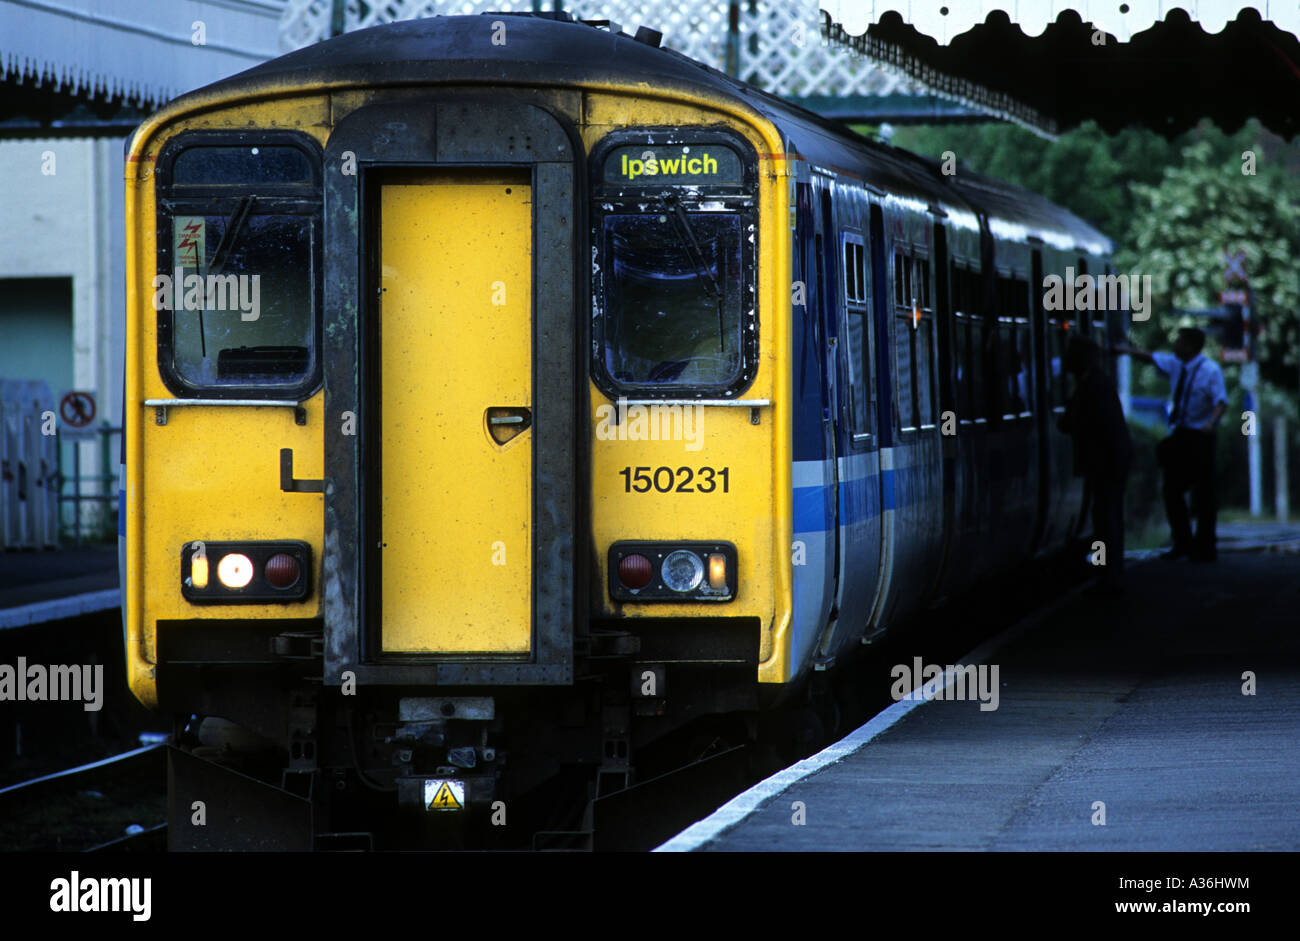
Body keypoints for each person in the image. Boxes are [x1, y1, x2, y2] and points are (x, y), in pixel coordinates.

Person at [1113, 327, 1228, 561]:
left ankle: (1206, 546)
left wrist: (1211, 423)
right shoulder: (1176, 364)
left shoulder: (1210, 370)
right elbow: (1150, 357)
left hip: (1200, 436)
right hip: (1181, 433)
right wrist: (1123, 350)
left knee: (1204, 493)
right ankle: (1183, 541)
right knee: (1172, 489)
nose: (1175, 345)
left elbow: (1220, 401)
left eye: (1179, 341)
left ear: (1190, 346)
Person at [1058, 336, 1132, 592]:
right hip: (1106, 463)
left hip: (1106, 464)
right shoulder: (1093, 382)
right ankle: (1109, 571)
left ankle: (1110, 575)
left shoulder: (1095, 385)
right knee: (1106, 518)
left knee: (1107, 518)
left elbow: (1099, 426)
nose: (1065, 362)